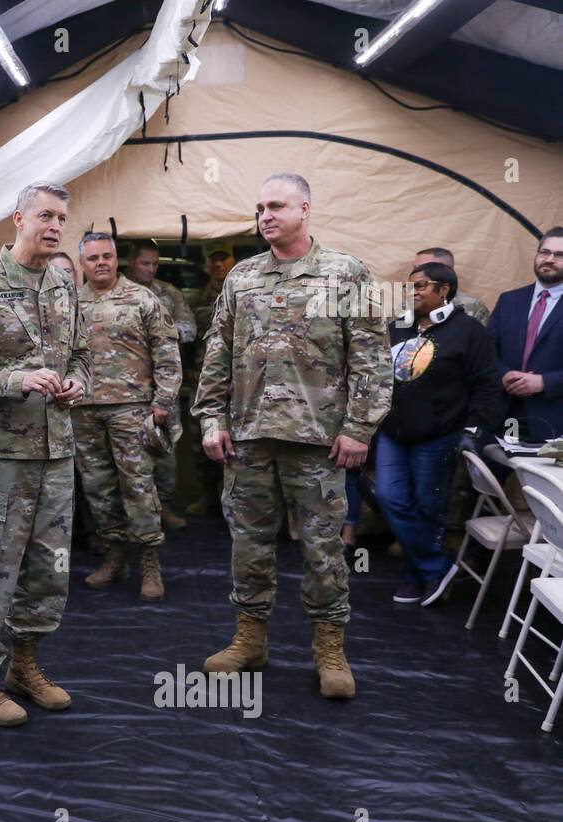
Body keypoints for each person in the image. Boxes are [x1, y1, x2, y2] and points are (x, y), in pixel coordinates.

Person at [193, 172, 391, 699]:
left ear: (305, 208)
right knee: (249, 546)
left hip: (318, 442)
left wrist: (358, 428)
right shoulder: (242, 278)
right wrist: (211, 421)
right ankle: (249, 640)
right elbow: (217, 354)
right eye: (260, 208)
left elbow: (371, 359)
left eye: (276, 206)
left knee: (323, 549)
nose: (266, 216)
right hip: (250, 439)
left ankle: (329, 649)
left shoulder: (344, 273)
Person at [0, 181, 91, 727]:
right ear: (18, 220)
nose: (54, 227)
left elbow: (80, 355)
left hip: (55, 454)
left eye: (62, 219)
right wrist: (17, 378)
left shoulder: (63, 282)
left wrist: (77, 383)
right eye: (45, 216)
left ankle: (25, 665)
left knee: (48, 570)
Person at [375, 262, 500, 605]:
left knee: (429, 505)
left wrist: (474, 427)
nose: (411, 292)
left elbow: (487, 384)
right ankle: (436, 568)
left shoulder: (469, 331)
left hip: (438, 435)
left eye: (420, 286)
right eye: (409, 287)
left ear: (444, 289)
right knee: (390, 497)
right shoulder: (398, 326)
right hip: (392, 432)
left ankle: (416, 575)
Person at [72, 231, 180, 600]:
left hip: (132, 409)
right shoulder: (70, 304)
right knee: (98, 489)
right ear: (82, 264)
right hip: (84, 411)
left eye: (107, 256)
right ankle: (115, 558)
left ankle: (150, 562)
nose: (101, 263)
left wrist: (163, 400)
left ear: (117, 260)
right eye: (93, 258)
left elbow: (166, 351)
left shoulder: (142, 298)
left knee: (138, 486)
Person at [127, 238, 194, 530]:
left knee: (165, 451)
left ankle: (163, 506)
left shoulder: (168, 293)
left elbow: (190, 329)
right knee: (129, 455)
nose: (151, 269)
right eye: (145, 263)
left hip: (163, 387)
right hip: (125, 389)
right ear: (131, 262)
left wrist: (157, 332)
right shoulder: (116, 292)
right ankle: (133, 515)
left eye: (155, 264)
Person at [487, 228, 563, 444]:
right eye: (544, 252)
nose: (549, 259)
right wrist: (504, 375)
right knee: (482, 477)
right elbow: (486, 351)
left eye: (559, 255)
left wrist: (544, 382)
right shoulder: (509, 300)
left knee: (537, 479)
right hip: (502, 417)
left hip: (554, 425)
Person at [184, 241, 235, 516]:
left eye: (223, 259)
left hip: (236, 385)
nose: (218, 265)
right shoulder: (194, 301)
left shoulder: (241, 294)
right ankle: (209, 497)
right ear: (206, 265)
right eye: (213, 260)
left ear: (232, 261)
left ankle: (233, 501)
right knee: (201, 441)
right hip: (202, 383)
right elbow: (185, 342)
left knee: (236, 444)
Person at [414, 248, 490, 325]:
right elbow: (402, 331)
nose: (417, 273)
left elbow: (479, 335)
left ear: (447, 271)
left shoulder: (472, 306)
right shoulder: (404, 302)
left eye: (426, 268)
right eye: (415, 268)